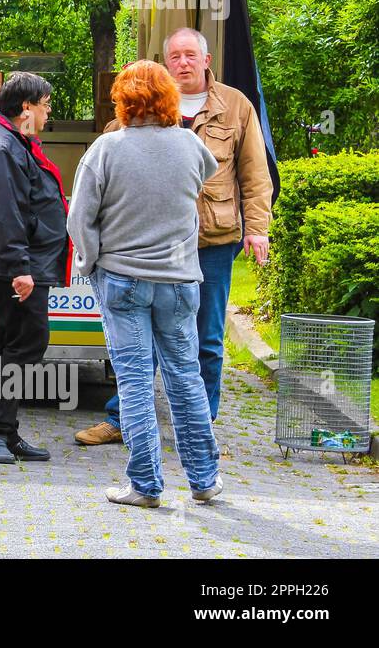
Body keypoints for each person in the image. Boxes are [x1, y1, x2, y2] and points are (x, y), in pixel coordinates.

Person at [76, 27, 274, 446]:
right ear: (166, 65)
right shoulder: (139, 107)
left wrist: (257, 229)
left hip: (213, 241)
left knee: (207, 338)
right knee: (139, 339)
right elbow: (111, 157)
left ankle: (202, 425)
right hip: (154, 245)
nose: (182, 63)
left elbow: (255, 174)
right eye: (175, 57)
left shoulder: (235, 105)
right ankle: (122, 419)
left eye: (190, 55)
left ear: (206, 60)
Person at [67, 60, 223, 505]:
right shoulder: (190, 145)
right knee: (186, 377)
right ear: (169, 97)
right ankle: (204, 480)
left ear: (123, 100)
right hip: (179, 281)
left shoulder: (106, 149)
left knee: (134, 381)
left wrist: (91, 262)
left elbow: (79, 218)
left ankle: (145, 485)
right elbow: (205, 178)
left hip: (122, 279)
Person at [0, 72, 68, 463]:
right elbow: (5, 212)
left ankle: (1, 430)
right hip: (12, 267)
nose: (48, 112)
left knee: (8, 342)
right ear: (26, 107)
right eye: (45, 104)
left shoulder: (5, 139)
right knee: (26, 341)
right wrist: (20, 267)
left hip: (13, 263)